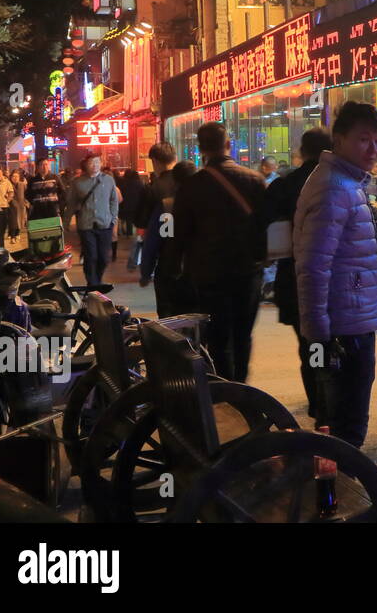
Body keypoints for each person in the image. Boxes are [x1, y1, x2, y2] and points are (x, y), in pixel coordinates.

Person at [293, 104, 377, 448]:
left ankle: (335, 491)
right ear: (340, 140)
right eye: (364, 139)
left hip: (351, 320)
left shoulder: (345, 183)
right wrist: (318, 331)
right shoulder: (335, 188)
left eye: (376, 141)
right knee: (347, 427)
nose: (373, 149)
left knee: (339, 423)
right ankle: (340, 496)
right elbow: (314, 265)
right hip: (344, 329)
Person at [174, 122, 268, 382]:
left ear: (200, 149)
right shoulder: (255, 180)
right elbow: (265, 226)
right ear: (228, 145)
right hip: (247, 272)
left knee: (217, 337)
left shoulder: (191, 186)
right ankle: (241, 386)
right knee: (242, 334)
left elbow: (179, 234)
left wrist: (176, 269)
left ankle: (224, 386)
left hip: (208, 273)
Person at [264, 128, 332, 423]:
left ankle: (317, 403)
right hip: (332, 278)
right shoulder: (339, 182)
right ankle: (328, 404)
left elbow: (261, 223)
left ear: (302, 152)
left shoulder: (283, 185)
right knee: (328, 343)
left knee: (308, 344)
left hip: (294, 277)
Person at [140, 161, 197, 318]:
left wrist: (146, 272)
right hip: (200, 272)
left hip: (170, 271)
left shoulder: (167, 207)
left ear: (174, 180)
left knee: (169, 322)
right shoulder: (208, 205)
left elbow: (153, 243)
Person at [69, 155, 119, 288]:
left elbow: (114, 200)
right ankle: (93, 283)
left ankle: (98, 278)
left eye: (97, 162)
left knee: (103, 257)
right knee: (91, 255)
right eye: (91, 163)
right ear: (86, 165)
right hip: (86, 225)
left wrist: (113, 218)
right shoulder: (78, 182)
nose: (94, 165)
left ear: (101, 164)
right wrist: (66, 221)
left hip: (105, 223)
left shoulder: (108, 180)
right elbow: (71, 203)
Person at [8, 170, 28, 239]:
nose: (15, 178)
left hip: (21, 204)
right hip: (12, 205)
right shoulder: (9, 185)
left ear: (19, 177)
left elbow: (26, 194)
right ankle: (12, 233)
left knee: (21, 220)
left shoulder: (22, 184)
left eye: (17, 176)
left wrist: (26, 203)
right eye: (13, 176)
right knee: (13, 220)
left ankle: (18, 233)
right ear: (10, 177)